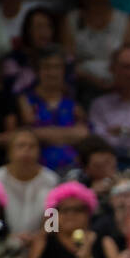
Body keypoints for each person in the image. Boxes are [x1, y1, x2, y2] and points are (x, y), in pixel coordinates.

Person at [17, 45, 86, 174]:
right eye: (47, 67)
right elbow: (25, 136)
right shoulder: (26, 101)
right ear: (38, 71)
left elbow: (83, 134)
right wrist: (68, 135)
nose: (52, 72)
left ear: (63, 71)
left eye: (56, 67)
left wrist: (43, 134)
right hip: (37, 171)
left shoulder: (73, 103)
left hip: (73, 170)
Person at [62, 0, 130, 100]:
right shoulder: (70, 20)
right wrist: (90, 78)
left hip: (116, 85)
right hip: (81, 85)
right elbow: (68, 60)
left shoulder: (126, 22)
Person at [0, 129, 60, 242]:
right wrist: (9, 238)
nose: (26, 150)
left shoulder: (52, 180)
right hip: (1, 241)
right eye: (21, 146)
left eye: (32, 146)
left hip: (40, 243)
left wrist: (39, 238)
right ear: (9, 152)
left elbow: (53, 224)